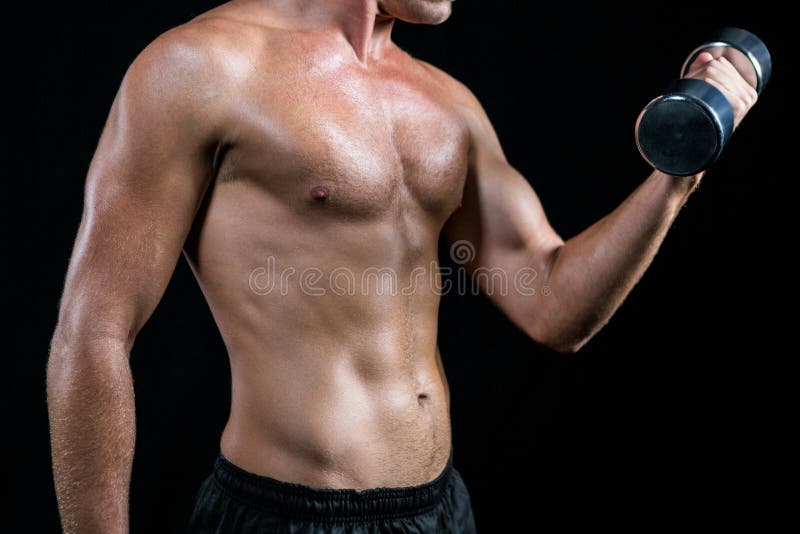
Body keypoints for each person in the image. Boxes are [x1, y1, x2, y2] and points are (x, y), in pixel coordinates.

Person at [46, 1, 759, 532]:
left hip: (439, 510)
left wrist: (678, 174)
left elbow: (554, 305)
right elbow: (93, 333)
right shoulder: (202, 68)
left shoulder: (448, 104)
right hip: (288, 516)